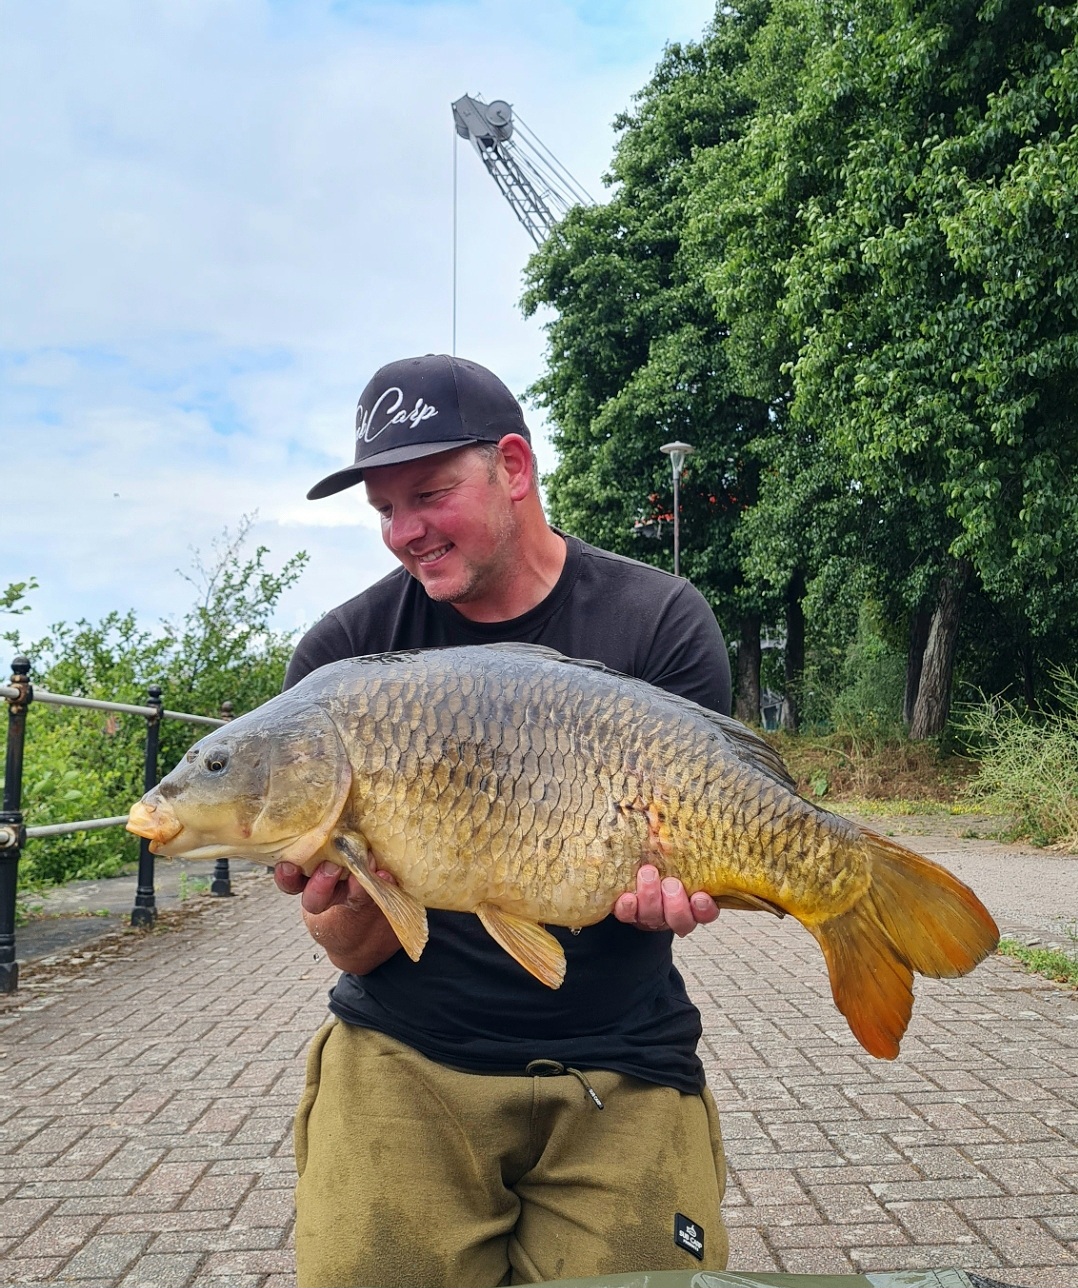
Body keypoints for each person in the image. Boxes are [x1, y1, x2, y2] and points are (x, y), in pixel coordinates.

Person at [275, 353, 734, 1288]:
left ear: (513, 468)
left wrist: (690, 880)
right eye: (383, 509)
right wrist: (351, 897)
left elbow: (706, 833)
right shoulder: (342, 663)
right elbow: (351, 951)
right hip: (407, 1049)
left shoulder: (660, 619)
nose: (404, 532)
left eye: (428, 495)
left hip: (621, 1053)